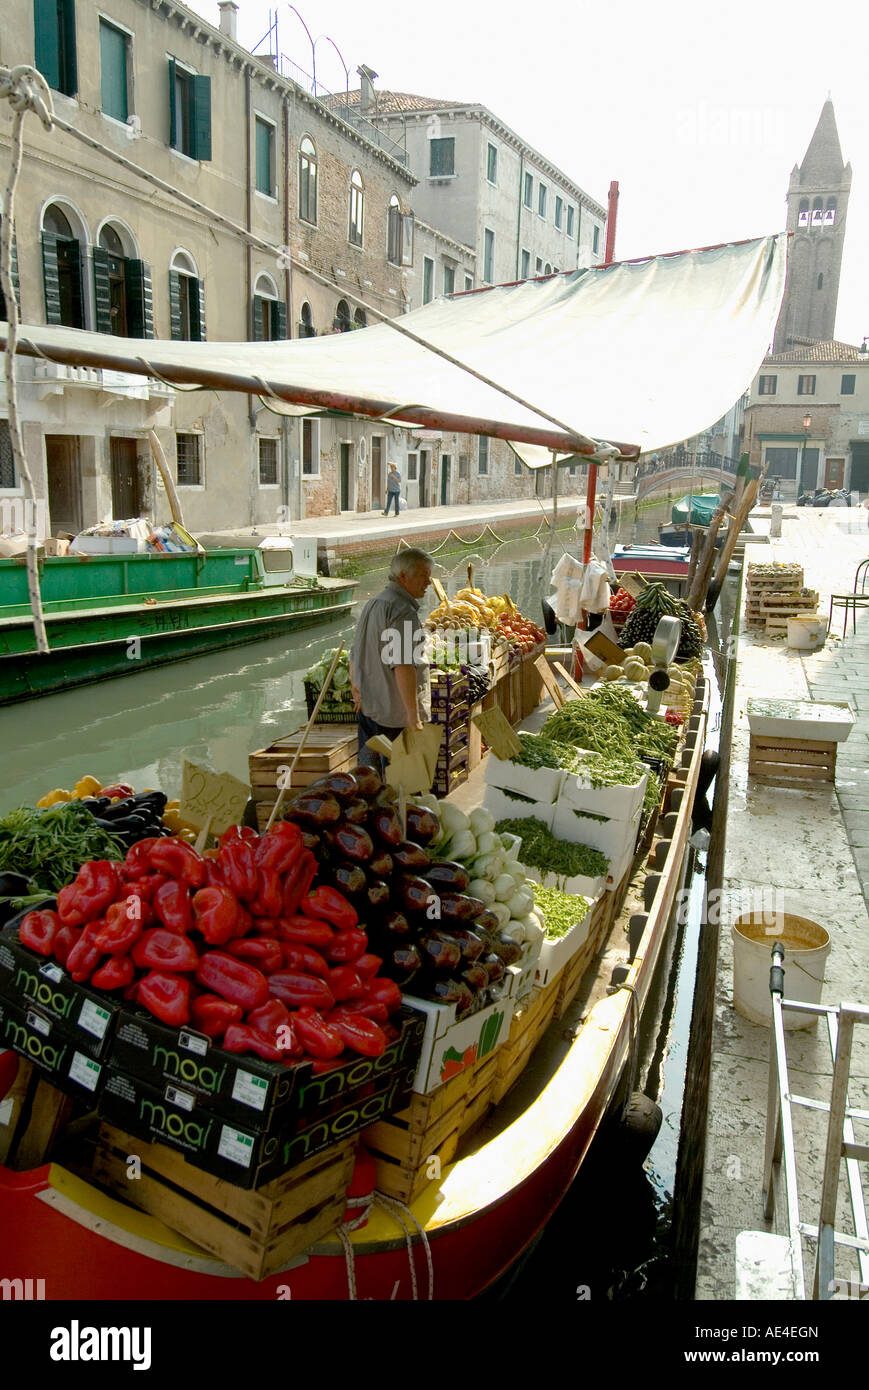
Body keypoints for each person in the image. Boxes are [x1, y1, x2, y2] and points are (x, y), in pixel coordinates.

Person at [349, 548, 433, 772]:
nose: (429, 581)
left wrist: (355, 688)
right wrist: (413, 718)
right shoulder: (402, 611)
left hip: (369, 710)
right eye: (423, 575)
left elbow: (354, 653)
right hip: (394, 718)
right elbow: (403, 665)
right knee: (404, 784)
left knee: (369, 780)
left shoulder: (373, 603)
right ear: (403, 576)